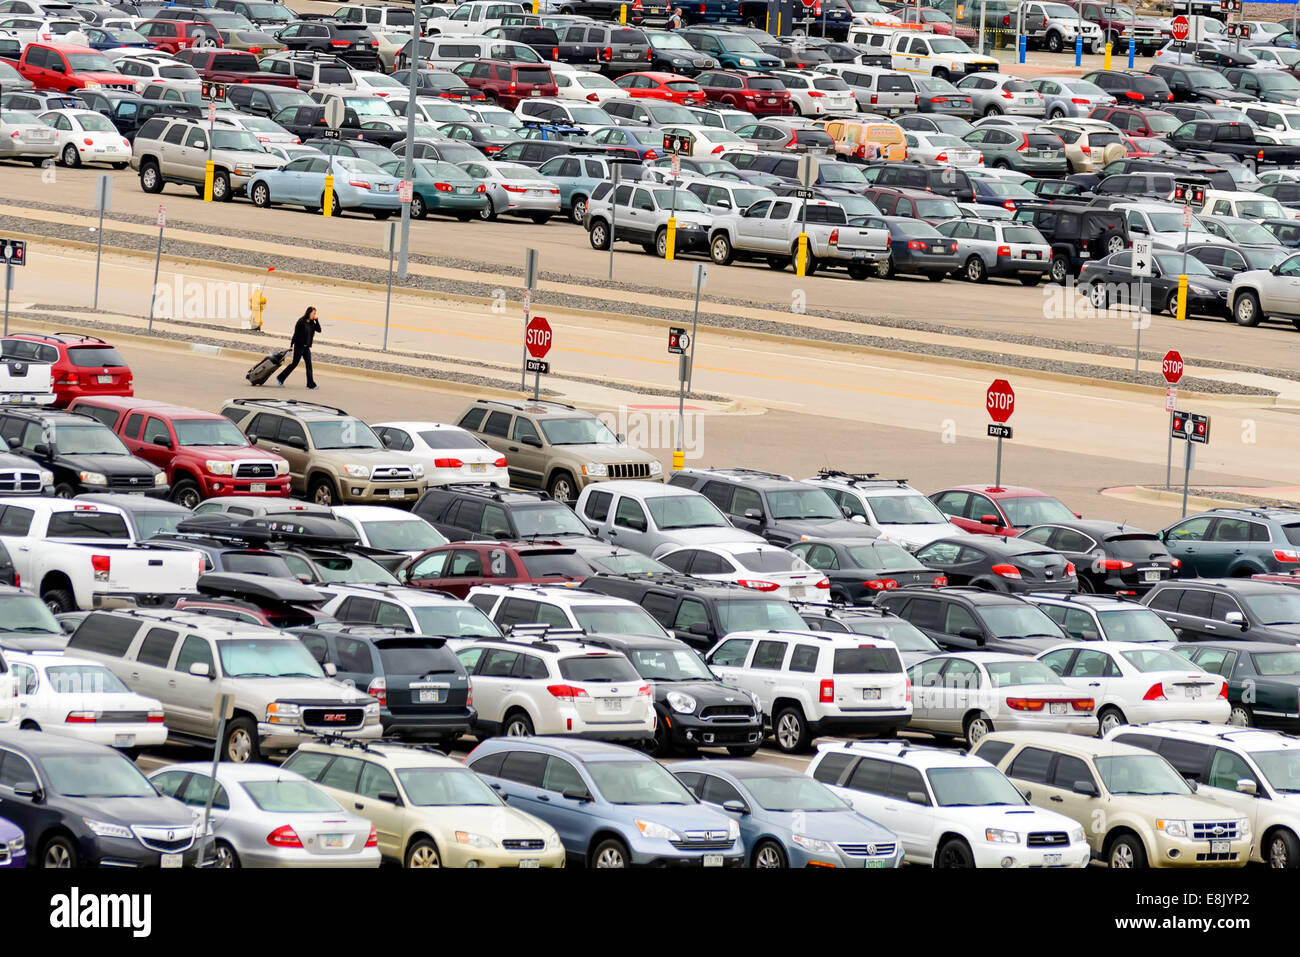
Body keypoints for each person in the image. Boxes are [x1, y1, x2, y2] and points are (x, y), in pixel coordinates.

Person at [277, 306, 321, 389]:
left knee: (309, 365)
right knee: (294, 364)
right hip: (299, 346)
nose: (315, 315)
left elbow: (319, 330)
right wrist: (291, 345)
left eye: (315, 314)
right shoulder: (301, 321)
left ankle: (310, 384)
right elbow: (295, 334)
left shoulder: (312, 323)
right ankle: (280, 378)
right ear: (309, 313)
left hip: (306, 347)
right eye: (314, 313)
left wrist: (316, 320)